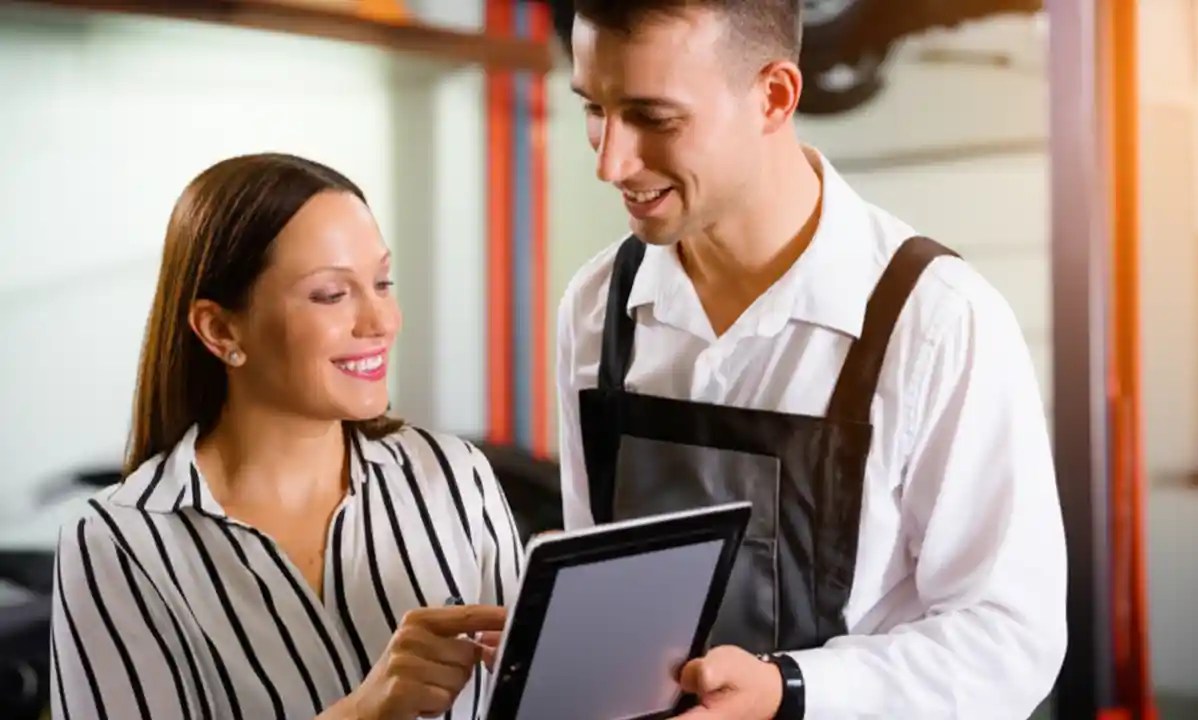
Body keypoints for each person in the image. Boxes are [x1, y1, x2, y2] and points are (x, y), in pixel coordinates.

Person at [554, 2, 1067, 719]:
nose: (612, 160)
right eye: (594, 109)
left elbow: (1009, 641)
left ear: (773, 96)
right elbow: (599, 579)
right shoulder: (597, 304)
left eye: (655, 118)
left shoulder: (936, 320)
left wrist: (790, 689)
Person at [48, 153, 522, 720]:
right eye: (330, 294)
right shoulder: (118, 542)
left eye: (381, 282)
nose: (380, 321)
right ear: (220, 328)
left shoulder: (454, 476)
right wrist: (364, 713)